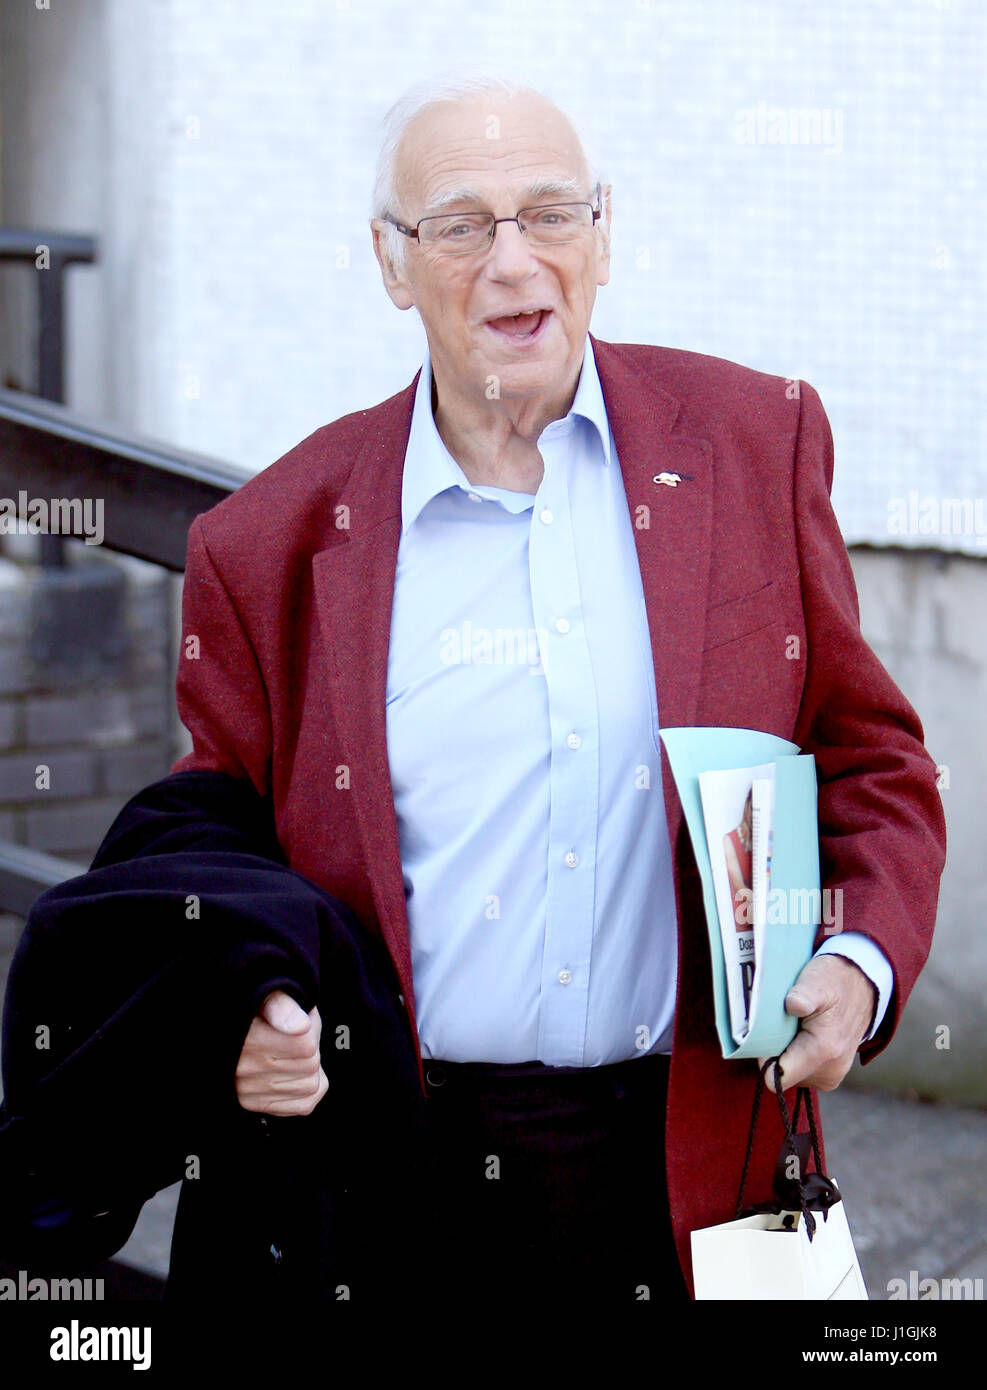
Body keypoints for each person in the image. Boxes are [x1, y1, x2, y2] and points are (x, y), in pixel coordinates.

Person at [165, 72, 946, 1303]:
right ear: (391, 260)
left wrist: (857, 959)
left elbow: (873, 762)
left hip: (695, 1165)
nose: (514, 260)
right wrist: (249, 997)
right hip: (395, 1173)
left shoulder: (752, 444)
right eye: (462, 223)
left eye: (552, 214)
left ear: (605, 233)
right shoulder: (271, 539)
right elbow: (205, 841)